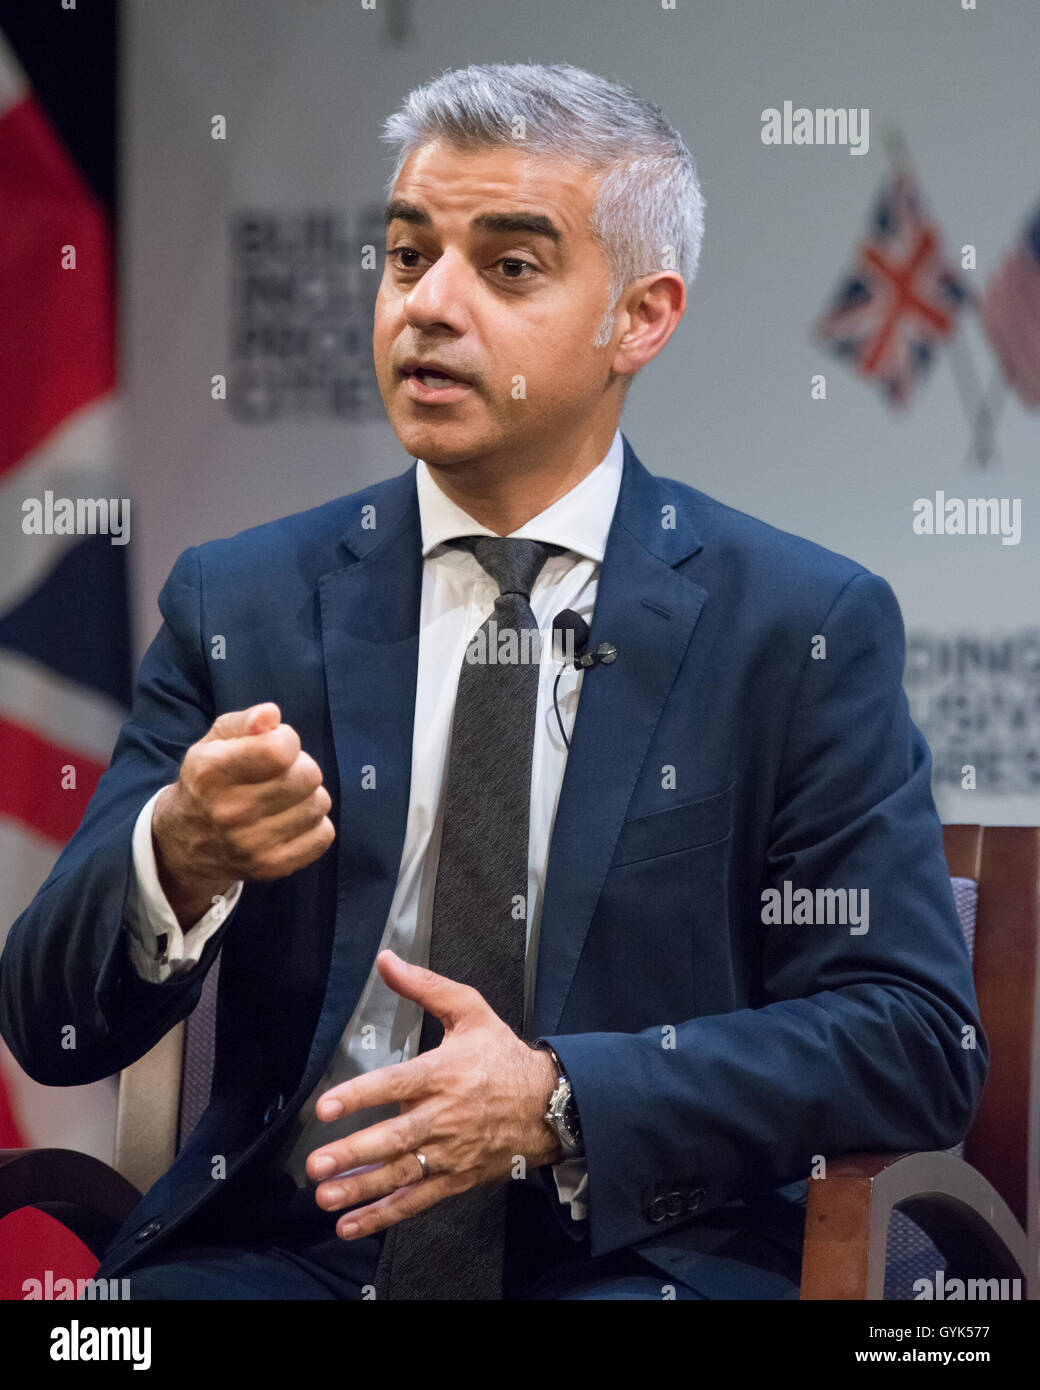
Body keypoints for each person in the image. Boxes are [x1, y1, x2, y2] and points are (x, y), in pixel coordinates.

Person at [0, 61, 986, 1301]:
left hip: (634, 1254)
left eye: (508, 267)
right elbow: (50, 1024)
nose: (429, 306)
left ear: (640, 315)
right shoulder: (243, 601)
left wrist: (556, 1098)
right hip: (291, 1257)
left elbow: (910, 1037)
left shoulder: (794, 626)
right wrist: (176, 857)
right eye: (408, 256)